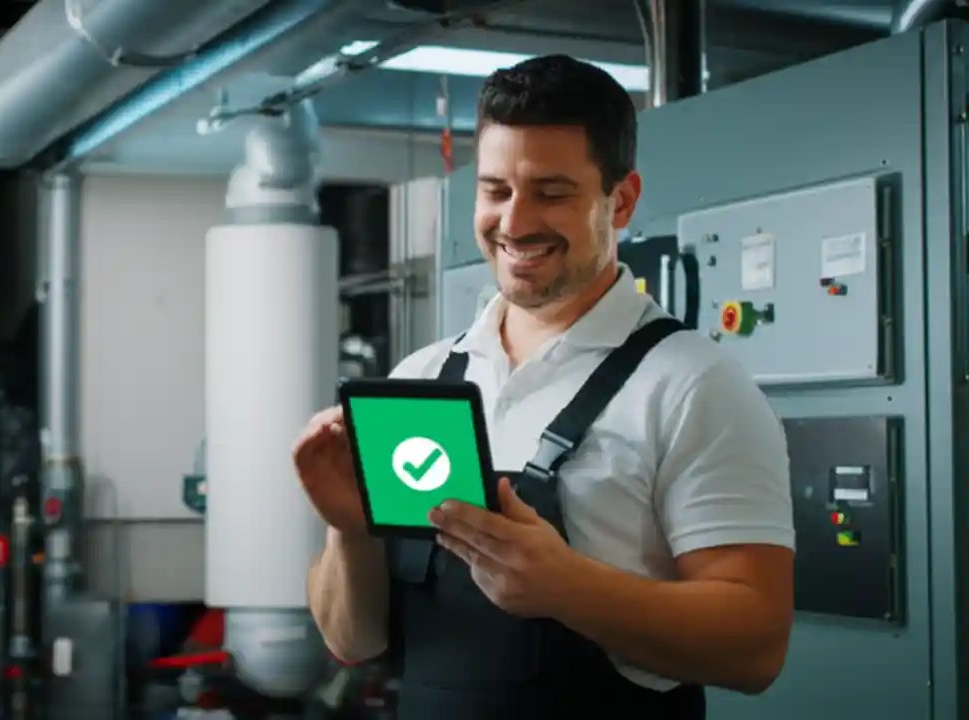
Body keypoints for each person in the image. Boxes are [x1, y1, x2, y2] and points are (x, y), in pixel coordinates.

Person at [292, 54, 794, 719]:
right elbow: (351, 640)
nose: (516, 221)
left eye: (552, 192)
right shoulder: (421, 381)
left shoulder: (693, 385)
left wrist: (566, 588)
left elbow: (755, 647)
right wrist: (349, 531)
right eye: (496, 189)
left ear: (621, 200)